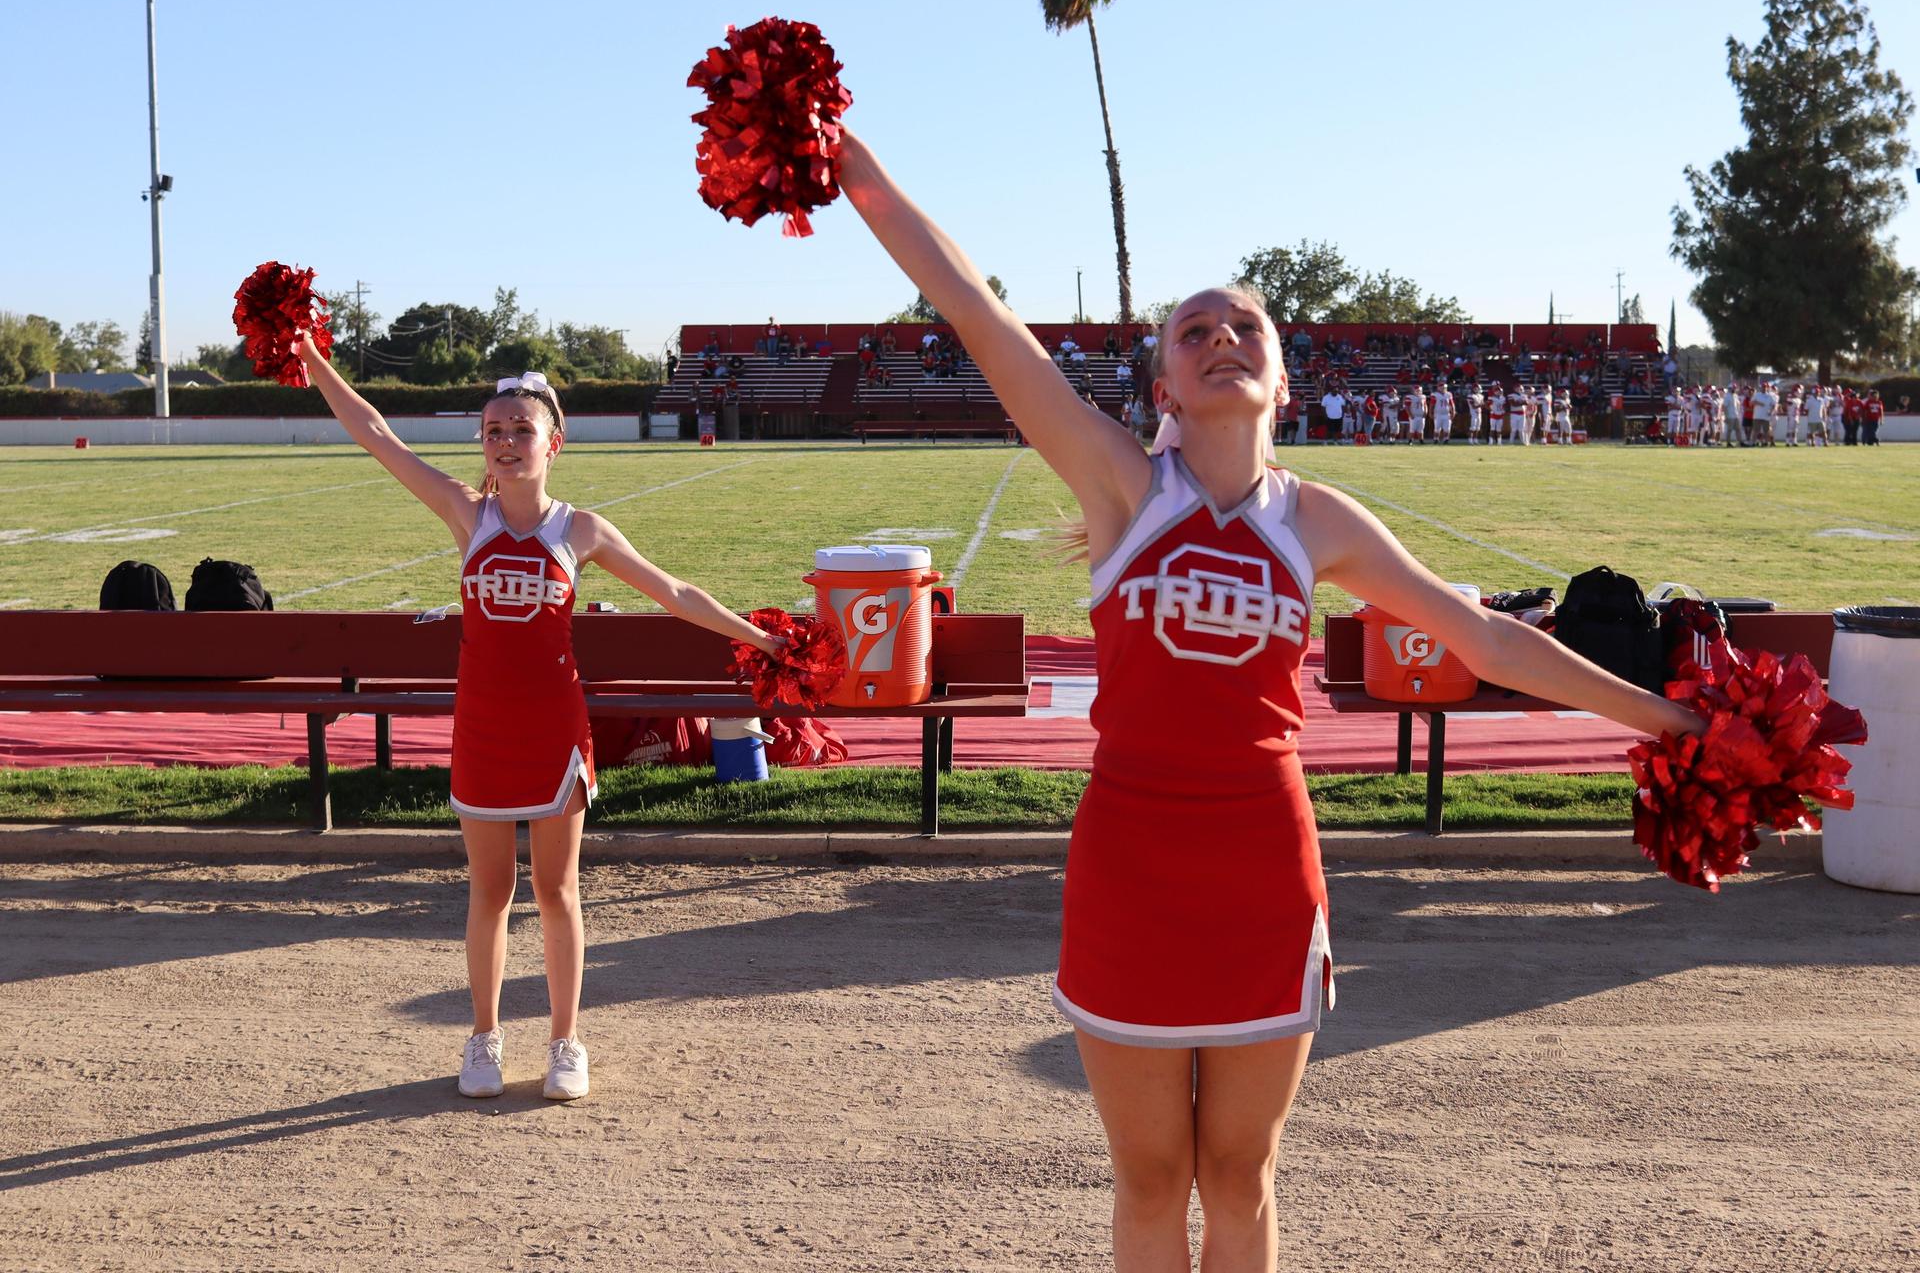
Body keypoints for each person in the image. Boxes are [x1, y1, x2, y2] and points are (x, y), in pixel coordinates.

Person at [833, 128, 1705, 1271]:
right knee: (1151, 1178)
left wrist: (1671, 721)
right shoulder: (1120, 485)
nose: (1221, 340)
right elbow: (972, 308)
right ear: (1165, 387)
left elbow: (1487, 634)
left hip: (1262, 869)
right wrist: (847, 164)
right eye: (1195, 332)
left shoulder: (1319, 520)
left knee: (1241, 1176)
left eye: (1246, 327)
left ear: (1284, 378)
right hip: (1130, 870)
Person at [292, 335, 780, 1103]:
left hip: (556, 732)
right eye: (494, 432)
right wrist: (313, 361)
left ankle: (565, 1042)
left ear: (555, 443)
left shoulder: (579, 531)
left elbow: (676, 593)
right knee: (489, 893)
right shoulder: (466, 512)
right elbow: (376, 435)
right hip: (483, 728)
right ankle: (484, 1039)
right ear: (482, 448)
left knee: (559, 892)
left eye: (522, 430)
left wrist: (762, 639)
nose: (507, 443)